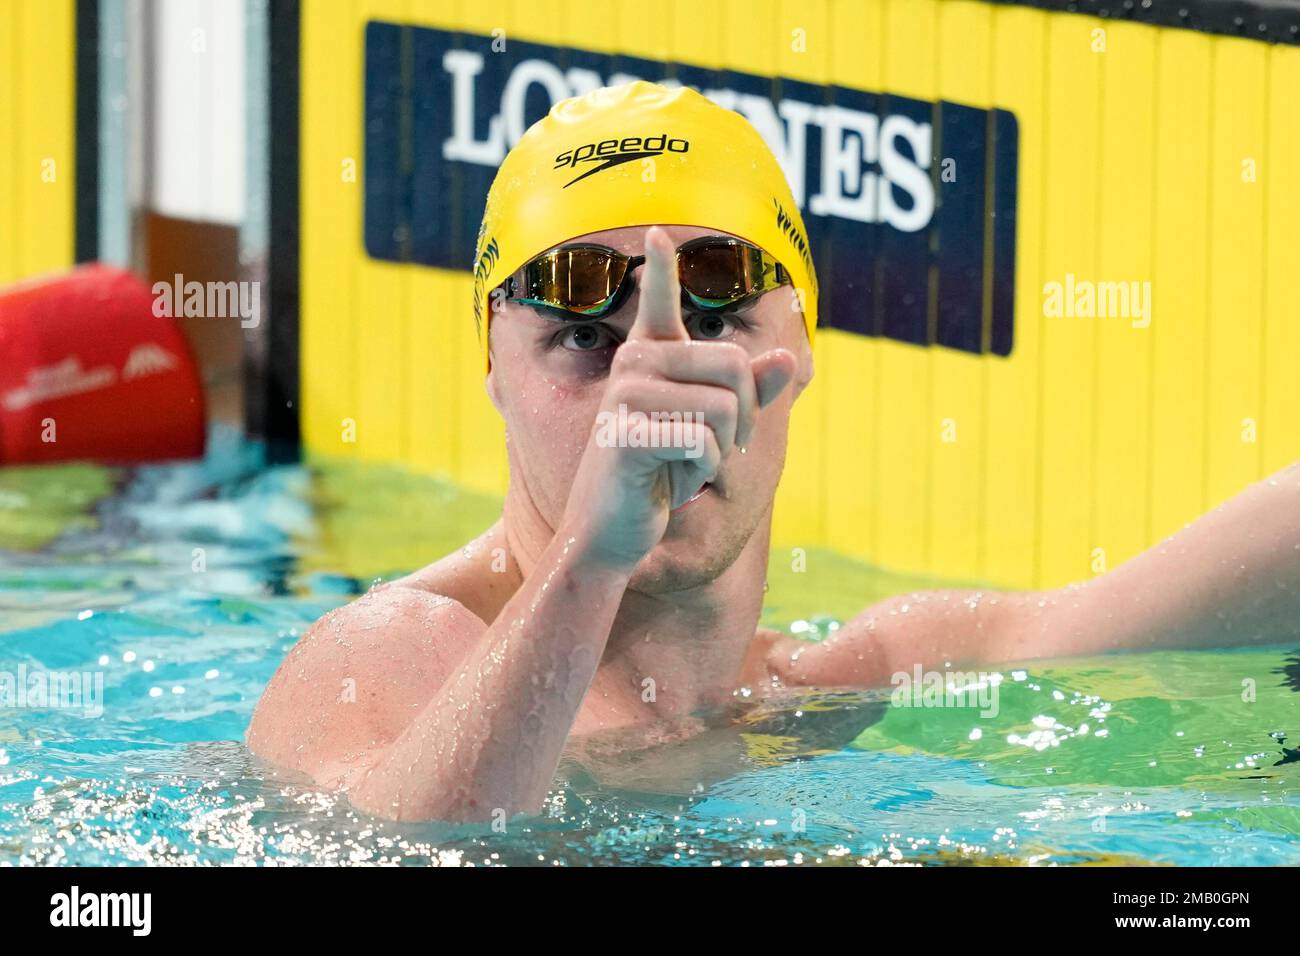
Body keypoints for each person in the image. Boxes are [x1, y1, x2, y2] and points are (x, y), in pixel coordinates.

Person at [247, 81, 1300, 823]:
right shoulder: (388, 657)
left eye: (713, 328)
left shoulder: (843, 685)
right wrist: (590, 560)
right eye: (582, 339)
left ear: (796, 350)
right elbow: (401, 854)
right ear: (493, 366)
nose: (649, 397)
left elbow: (1167, 603)